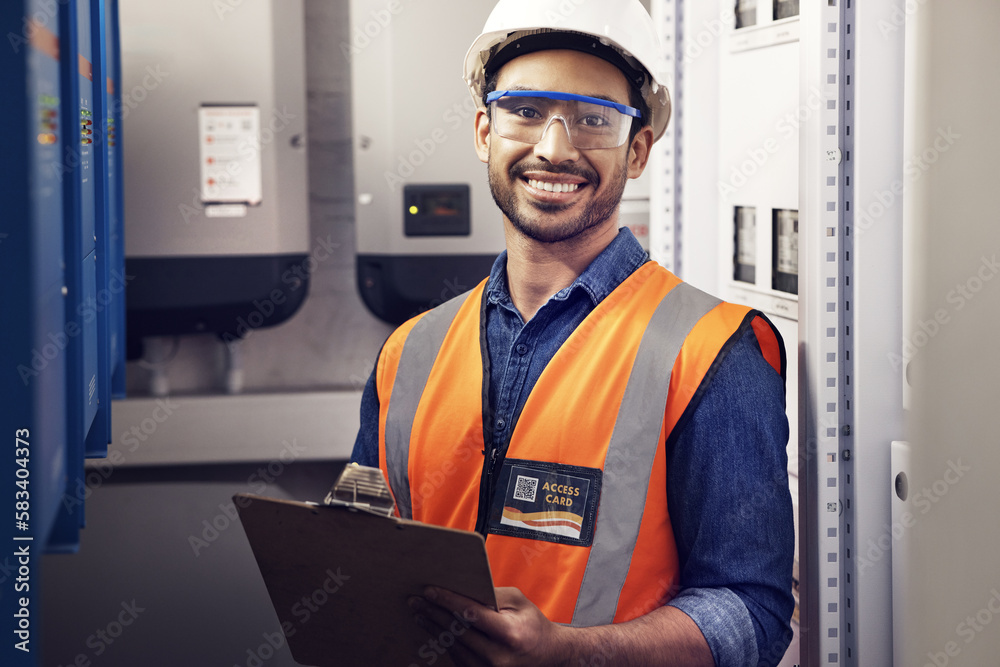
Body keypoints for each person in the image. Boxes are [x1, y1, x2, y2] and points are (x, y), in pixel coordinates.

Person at [350, 1, 795, 664]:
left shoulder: (712, 350)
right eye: (525, 110)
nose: (554, 148)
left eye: (594, 119)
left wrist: (573, 652)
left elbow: (753, 611)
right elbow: (358, 540)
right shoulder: (407, 351)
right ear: (484, 132)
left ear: (637, 149)